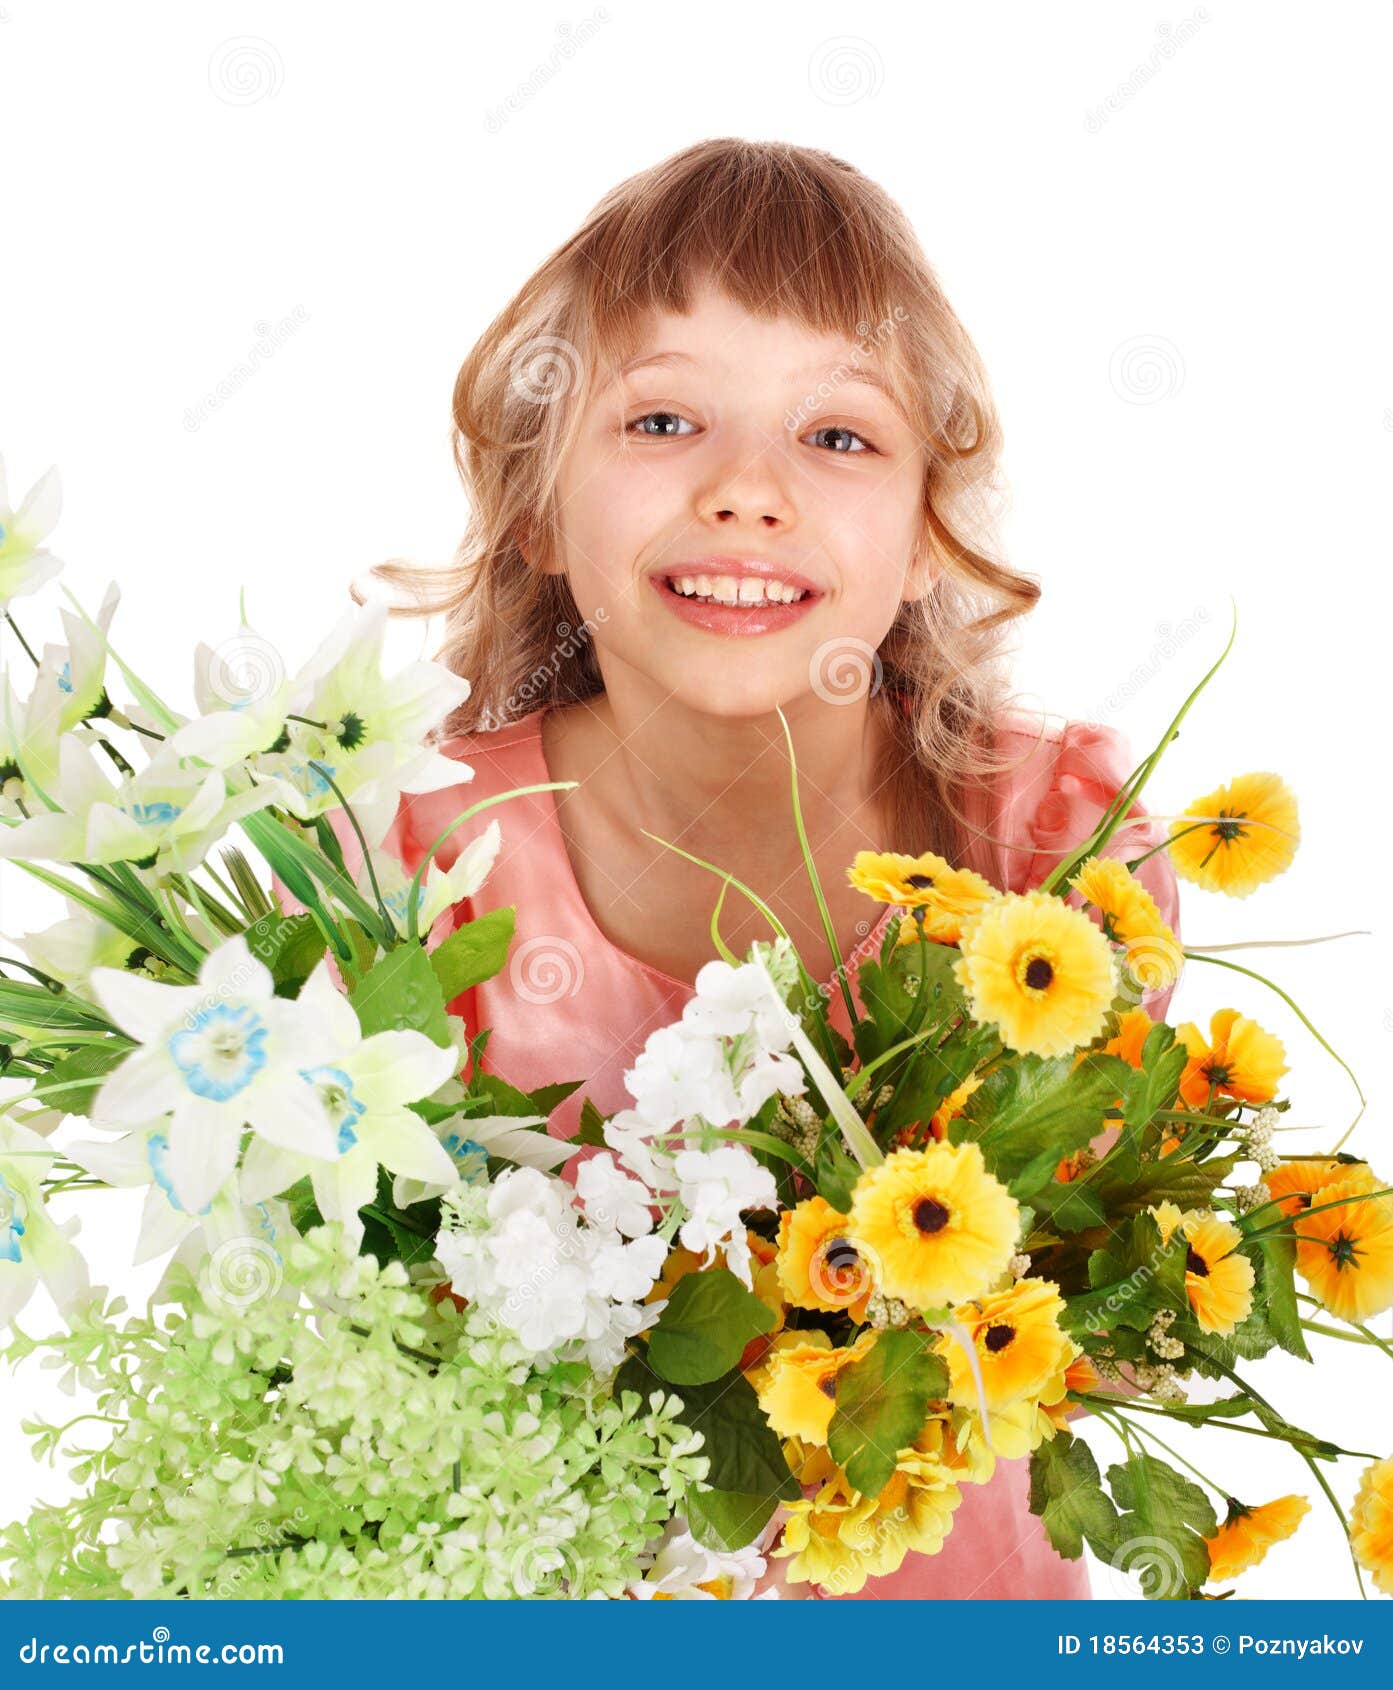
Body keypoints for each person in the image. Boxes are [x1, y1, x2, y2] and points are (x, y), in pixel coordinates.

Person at [366, 138, 1183, 1598]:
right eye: (665, 417)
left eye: (838, 436)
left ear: (930, 531)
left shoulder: (1053, 840)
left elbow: (1118, 1319)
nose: (747, 491)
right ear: (541, 508)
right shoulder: (425, 856)